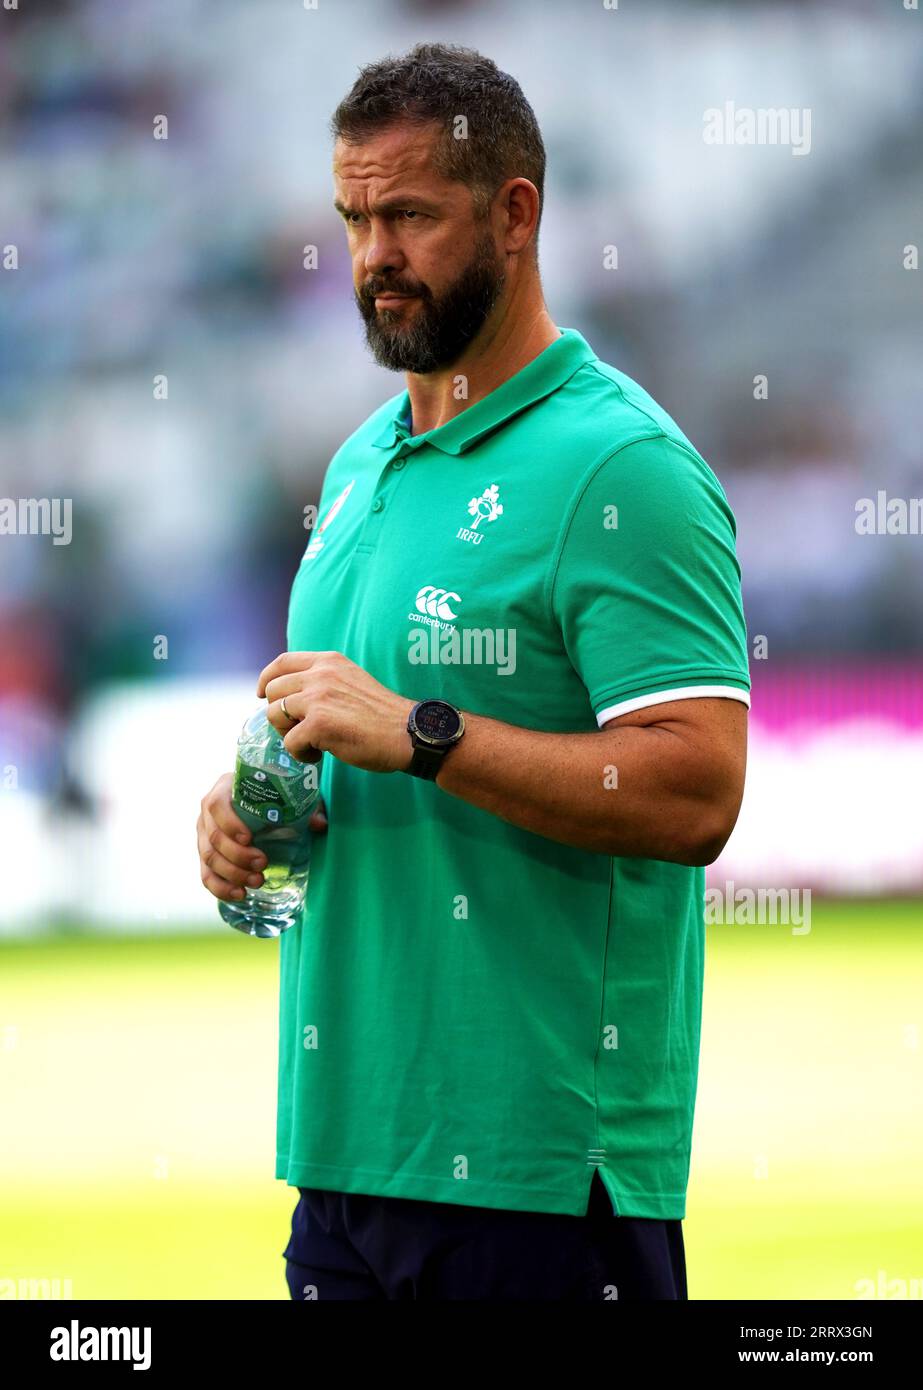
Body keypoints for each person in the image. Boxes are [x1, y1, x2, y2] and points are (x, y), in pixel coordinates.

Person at [196, 42, 750, 1302]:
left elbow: (698, 792)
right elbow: (344, 735)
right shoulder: (354, 466)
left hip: (534, 1181)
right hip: (340, 1156)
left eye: (408, 215)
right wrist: (249, 815)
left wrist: (424, 733)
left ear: (514, 214)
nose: (371, 255)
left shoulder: (621, 469)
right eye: (351, 218)